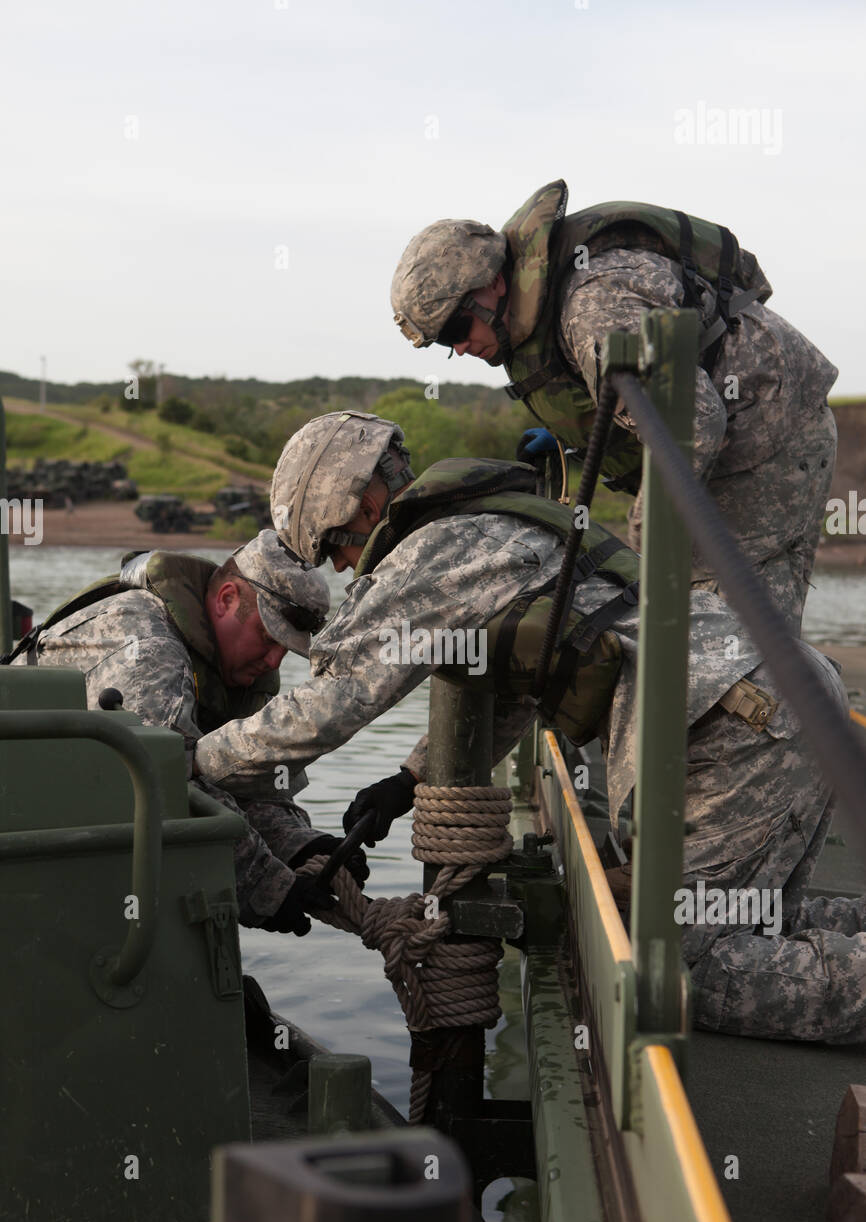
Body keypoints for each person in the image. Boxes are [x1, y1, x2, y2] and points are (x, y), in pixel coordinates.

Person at [192, 411, 866, 1044]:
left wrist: (196, 761)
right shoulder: (493, 523)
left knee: (688, 973)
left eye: (334, 549)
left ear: (362, 506)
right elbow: (527, 679)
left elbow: (332, 703)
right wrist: (410, 778)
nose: (341, 568)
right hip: (780, 693)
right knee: (755, 917)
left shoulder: (426, 555)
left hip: (741, 722)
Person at [390, 179, 839, 630]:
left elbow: (693, 423)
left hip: (768, 431)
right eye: (443, 344)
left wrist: (645, 535)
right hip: (744, 431)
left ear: (492, 285)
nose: (461, 348)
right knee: (722, 636)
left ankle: (790, 696)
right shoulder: (550, 309)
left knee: (726, 639)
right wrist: (578, 439)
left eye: (456, 329)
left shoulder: (593, 311)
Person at [8, 529, 363, 935]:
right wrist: (271, 888)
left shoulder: (236, 669)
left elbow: (245, 780)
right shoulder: (147, 647)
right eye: (268, 638)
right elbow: (165, 783)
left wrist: (303, 847)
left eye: (286, 649)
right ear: (227, 599)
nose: (274, 660)